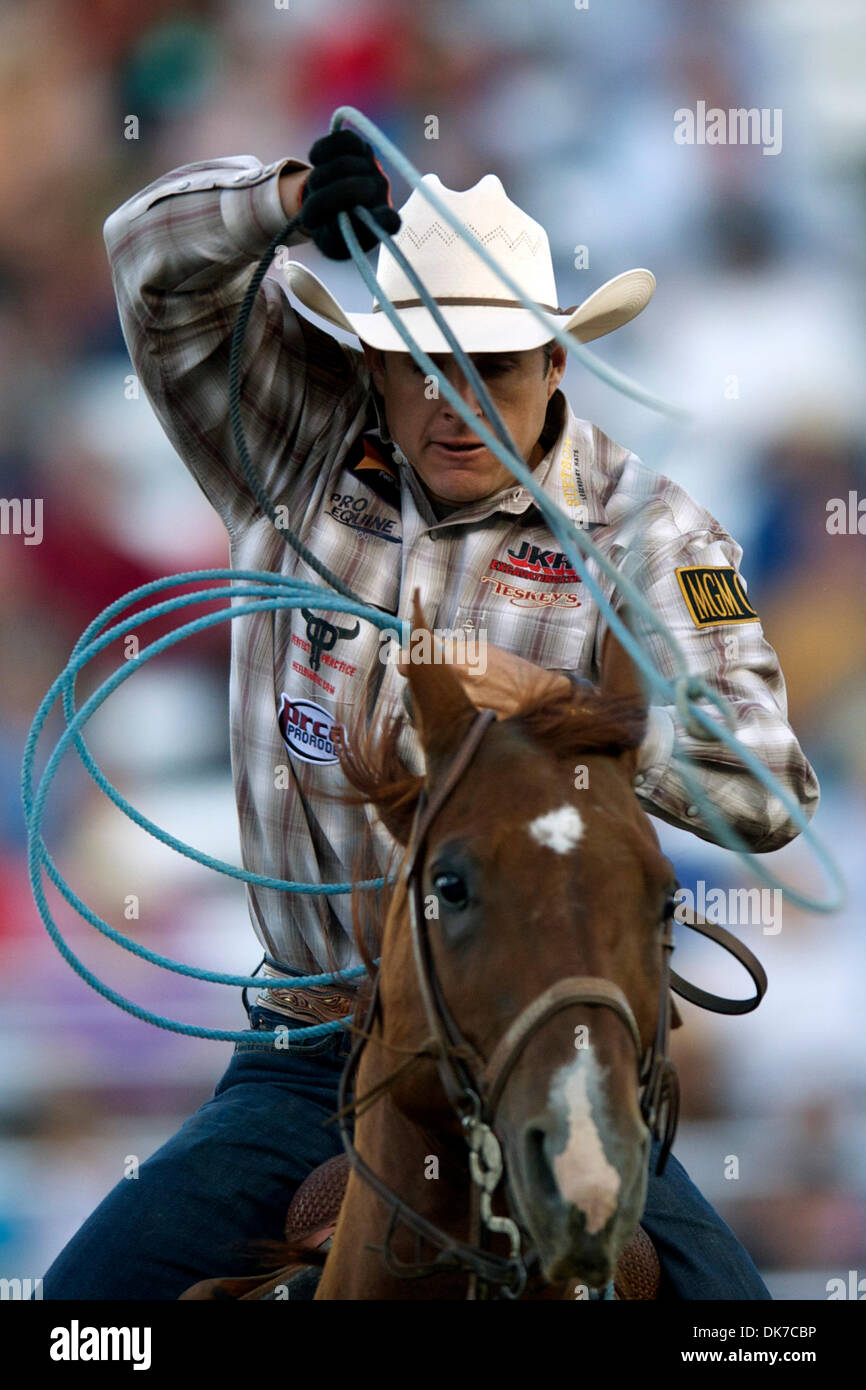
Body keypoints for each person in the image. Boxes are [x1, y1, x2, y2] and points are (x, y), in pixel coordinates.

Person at [41, 131, 817, 1300]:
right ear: (377, 369)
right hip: (314, 1042)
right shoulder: (294, 449)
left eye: (494, 365)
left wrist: (569, 713)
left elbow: (765, 781)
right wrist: (280, 201)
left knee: (735, 1323)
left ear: (556, 362)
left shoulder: (652, 539)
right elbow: (147, 263)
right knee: (87, 1308)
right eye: (423, 367)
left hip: (551, 1051)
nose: (455, 404)